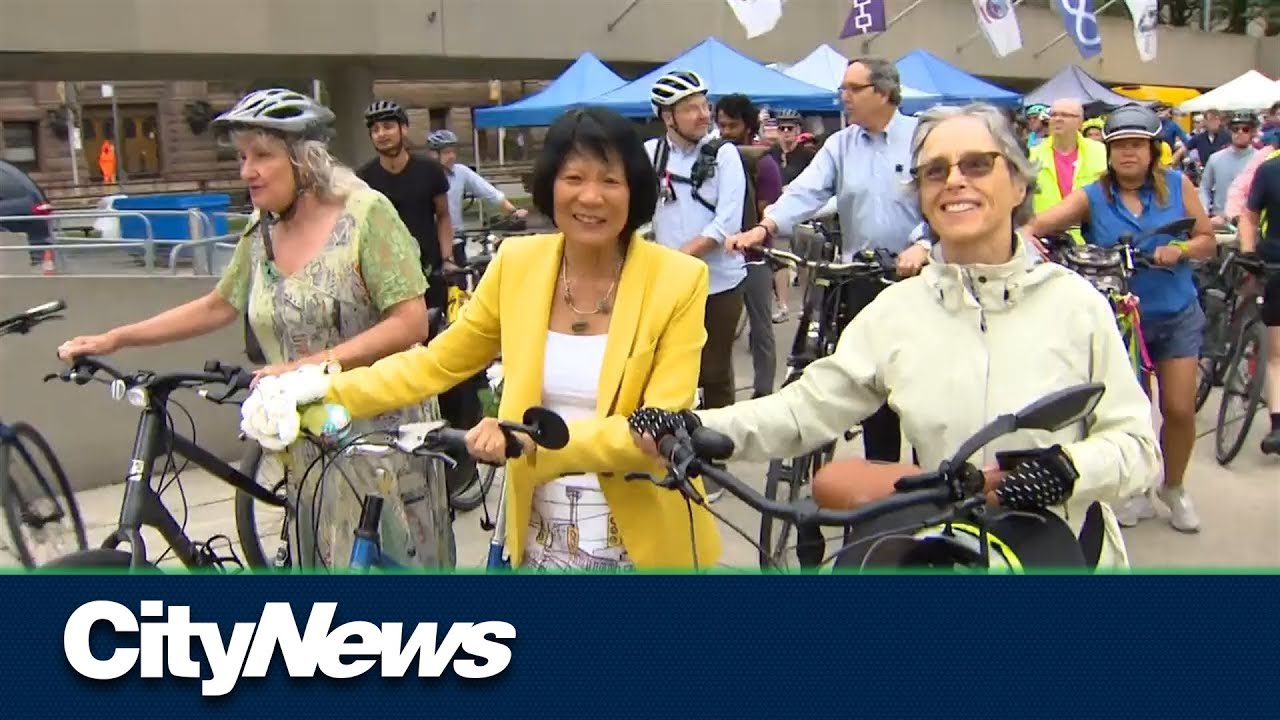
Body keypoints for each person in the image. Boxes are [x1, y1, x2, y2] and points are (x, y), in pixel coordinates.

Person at [632, 103, 1160, 569]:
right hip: (949, 555)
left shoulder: (1075, 304)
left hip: (1067, 555)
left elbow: (1138, 448)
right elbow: (803, 409)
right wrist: (692, 425)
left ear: (1019, 183)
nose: (955, 180)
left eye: (977, 164)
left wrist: (1070, 469)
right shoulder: (899, 311)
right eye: (935, 171)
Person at [236, 106, 720, 571]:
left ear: (634, 192)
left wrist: (527, 441)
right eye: (573, 179)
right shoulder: (518, 264)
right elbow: (435, 364)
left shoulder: (678, 280)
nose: (590, 197)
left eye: (609, 181)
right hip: (538, 539)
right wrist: (317, 387)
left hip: (644, 544)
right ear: (549, 188)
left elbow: (655, 427)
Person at [57, 88, 454, 569]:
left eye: (262, 156)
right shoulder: (262, 229)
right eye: (243, 156)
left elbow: (409, 322)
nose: (247, 170)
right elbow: (218, 305)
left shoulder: (366, 215)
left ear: (305, 162)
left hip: (384, 442)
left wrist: (305, 367)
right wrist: (115, 338)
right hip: (310, 445)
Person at [1020, 103, 1216, 534]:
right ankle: (1137, 488)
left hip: (1176, 311)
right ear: (1108, 152)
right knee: (1133, 412)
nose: (1128, 153)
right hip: (1120, 319)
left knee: (1180, 409)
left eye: (1136, 145)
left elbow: (1206, 239)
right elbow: (1033, 227)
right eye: (1119, 146)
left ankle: (1175, 486)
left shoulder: (1179, 186)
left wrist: (1179, 250)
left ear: (1152, 150)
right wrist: (1053, 256)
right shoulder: (1093, 196)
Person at [724, 56, 925, 464]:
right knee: (873, 383)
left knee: (922, 388)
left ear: (883, 93)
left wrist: (922, 244)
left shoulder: (922, 138)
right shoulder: (841, 144)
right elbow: (806, 192)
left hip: (917, 278)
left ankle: (934, 484)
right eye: (843, 89)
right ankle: (878, 478)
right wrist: (765, 228)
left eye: (853, 89)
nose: (843, 97)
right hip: (862, 276)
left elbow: (941, 202)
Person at [358, 99, 480, 505]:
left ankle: (458, 449)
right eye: (375, 128)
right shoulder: (365, 179)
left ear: (404, 130)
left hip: (430, 280)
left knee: (444, 364)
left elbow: (442, 216)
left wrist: (447, 258)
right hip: (386, 288)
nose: (382, 134)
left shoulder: (429, 171)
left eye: (388, 126)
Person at [645, 70, 747, 501]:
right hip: (669, 286)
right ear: (668, 116)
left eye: (705, 105)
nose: (704, 114)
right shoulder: (651, 154)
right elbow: (640, 214)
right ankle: (676, 450)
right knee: (668, 370)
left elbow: (726, 222)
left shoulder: (724, 155)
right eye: (692, 108)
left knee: (716, 371)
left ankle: (717, 459)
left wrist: (677, 258)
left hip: (719, 280)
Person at [715, 93, 783, 399]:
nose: (725, 132)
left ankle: (764, 395)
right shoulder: (715, 158)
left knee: (760, 330)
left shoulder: (763, 163)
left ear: (748, 125)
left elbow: (767, 213)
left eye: (732, 125)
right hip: (724, 254)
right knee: (720, 334)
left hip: (754, 256)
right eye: (721, 125)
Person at [1235, 134, 1280, 455]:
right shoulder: (1270, 170)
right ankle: (1279, 424)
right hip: (1277, 265)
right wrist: (1249, 251)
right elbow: (1249, 216)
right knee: (1278, 353)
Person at [424, 128, 528, 265]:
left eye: (453, 152)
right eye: (446, 152)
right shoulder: (423, 174)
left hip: (456, 238)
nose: (452, 156)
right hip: (430, 240)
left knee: (462, 278)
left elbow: (490, 192)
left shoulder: (460, 172)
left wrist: (513, 211)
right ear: (433, 154)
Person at [1028, 99, 1107, 245]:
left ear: (1080, 122)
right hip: (1043, 242)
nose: (1058, 119)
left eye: (1065, 115)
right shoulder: (1031, 156)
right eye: (1053, 115)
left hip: (1092, 242)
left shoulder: (1101, 152)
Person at [1200, 111, 1258, 227]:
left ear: (1253, 133)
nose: (1240, 133)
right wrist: (1204, 212)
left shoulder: (1261, 159)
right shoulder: (1215, 158)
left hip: (1251, 222)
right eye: (1235, 129)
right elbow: (1204, 188)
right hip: (1219, 221)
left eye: (1245, 129)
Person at [768, 108, 816, 186]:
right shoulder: (770, 154)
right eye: (782, 128)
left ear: (798, 130)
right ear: (778, 131)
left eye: (790, 128)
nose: (786, 131)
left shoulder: (809, 156)